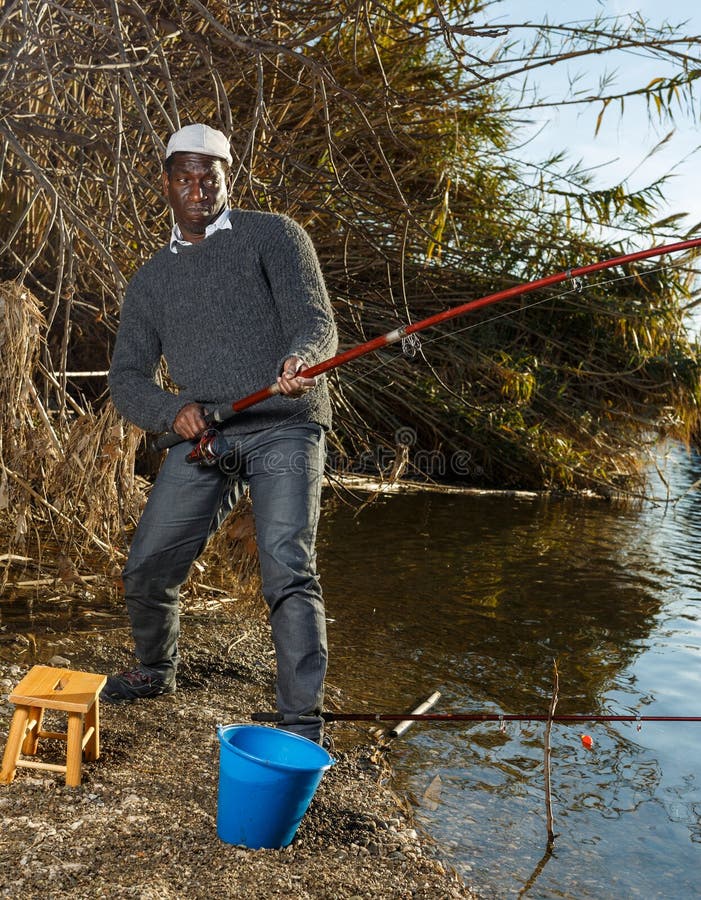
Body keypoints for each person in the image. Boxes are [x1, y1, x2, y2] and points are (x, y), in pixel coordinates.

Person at [104, 123, 338, 745]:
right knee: (147, 567)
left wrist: (300, 360)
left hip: (285, 424)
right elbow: (126, 377)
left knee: (287, 567)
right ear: (166, 184)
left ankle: (301, 725)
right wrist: (170, 411)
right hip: (207, 434)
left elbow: (315, 322)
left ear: (227, 177)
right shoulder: (151, 279)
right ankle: (157, 669)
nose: (198, 188)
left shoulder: (275, 235)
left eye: (210, 176)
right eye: (184, 177)